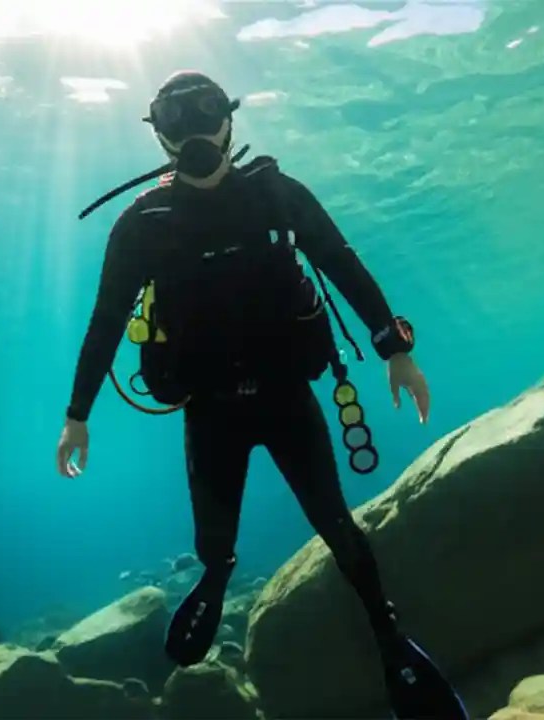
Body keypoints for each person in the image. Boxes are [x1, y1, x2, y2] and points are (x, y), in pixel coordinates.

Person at [55, 70, 467, 719]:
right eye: (175, 120)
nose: (194, 132)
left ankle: (391, 640)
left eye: (206, 112)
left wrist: (396, 349)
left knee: (335, 522)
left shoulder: (275, 194)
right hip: (209, 410)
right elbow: (106, 320)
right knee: (214, 543)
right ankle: (217, 579)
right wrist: (76, 416)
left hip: (283, 396)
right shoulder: (144, 224)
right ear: (160, 136)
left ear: (230, 120)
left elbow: (340, 259)